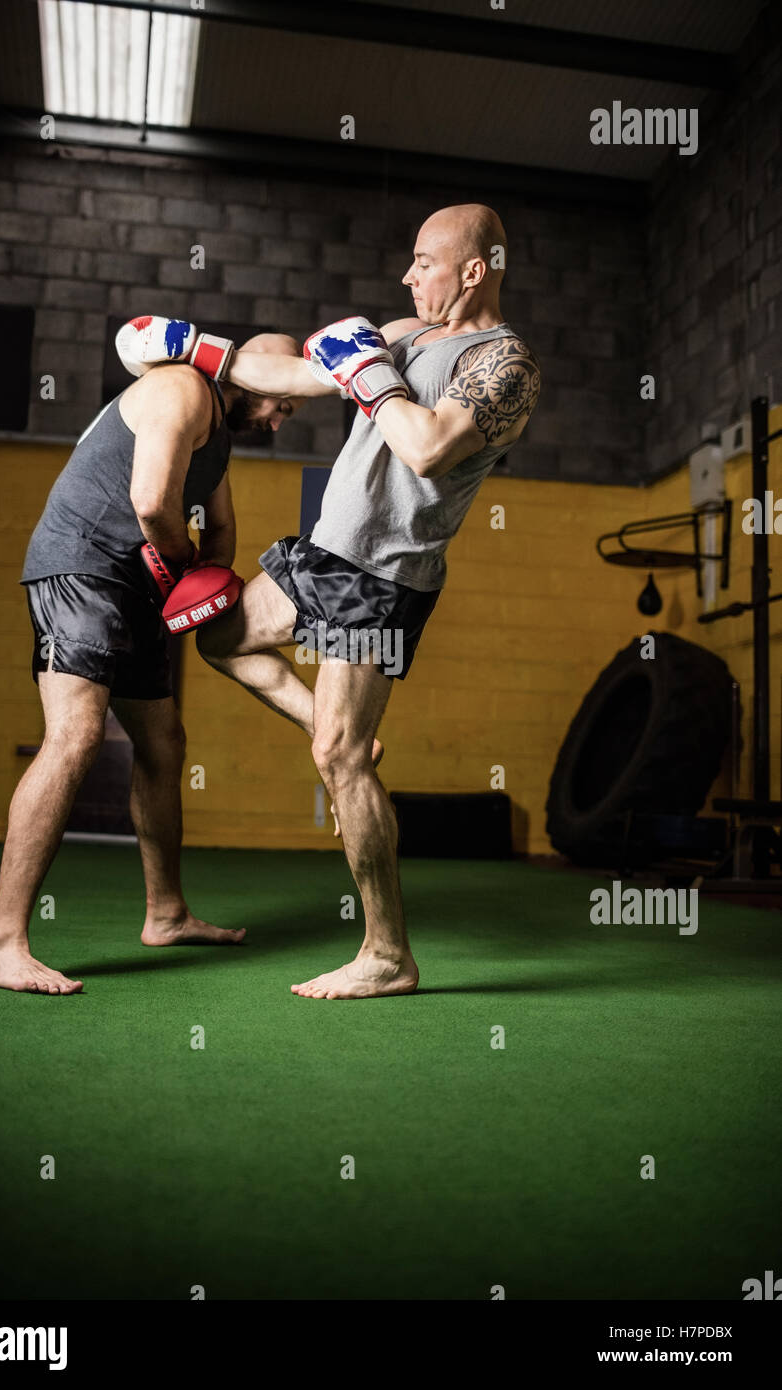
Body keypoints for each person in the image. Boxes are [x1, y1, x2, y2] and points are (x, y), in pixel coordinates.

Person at [128, 203, 541, 1001]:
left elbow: (425, 448)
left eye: (424, 261)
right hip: (325, 551)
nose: (408, 274)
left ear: (475, 270)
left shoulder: (505, 364)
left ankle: (388, 954)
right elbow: (291, 374)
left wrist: (372, 378)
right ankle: (329, 726)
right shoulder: (405, 332)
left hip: (385, 575)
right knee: (217, 637)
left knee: (339, 760)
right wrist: (194, 347)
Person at [0, 334, 302, 994]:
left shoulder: (219, 440)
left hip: (141, 584)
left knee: (163, 742)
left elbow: (224, 530)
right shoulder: (182, 388)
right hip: (84, 566)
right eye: (283, 405)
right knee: (76, 735)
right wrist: (182, 564)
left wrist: (212, 579)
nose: (278, 421)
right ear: (257, 378)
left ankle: (167, 913)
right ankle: (0, 942)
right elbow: (151, 502)